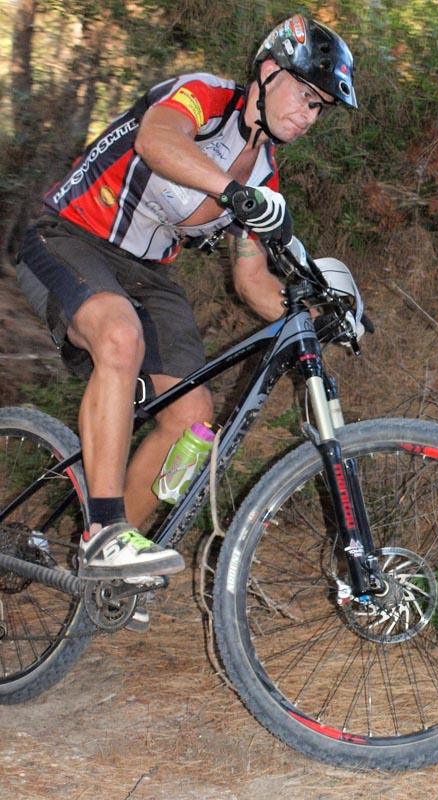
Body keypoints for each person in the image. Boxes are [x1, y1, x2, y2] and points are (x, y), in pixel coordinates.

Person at [16, 15, 358, 602]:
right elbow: (157, 141)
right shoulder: (204, 97)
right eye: (307, 95)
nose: (309, 114)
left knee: (193, 416)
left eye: (320, 108)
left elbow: (251, 280)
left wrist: (317, 315)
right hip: (69, 235)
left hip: (148, 273)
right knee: (119, 337)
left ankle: (105, 567)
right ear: (268, 72)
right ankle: (104, 532)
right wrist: (233, 193)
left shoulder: (266, 173)